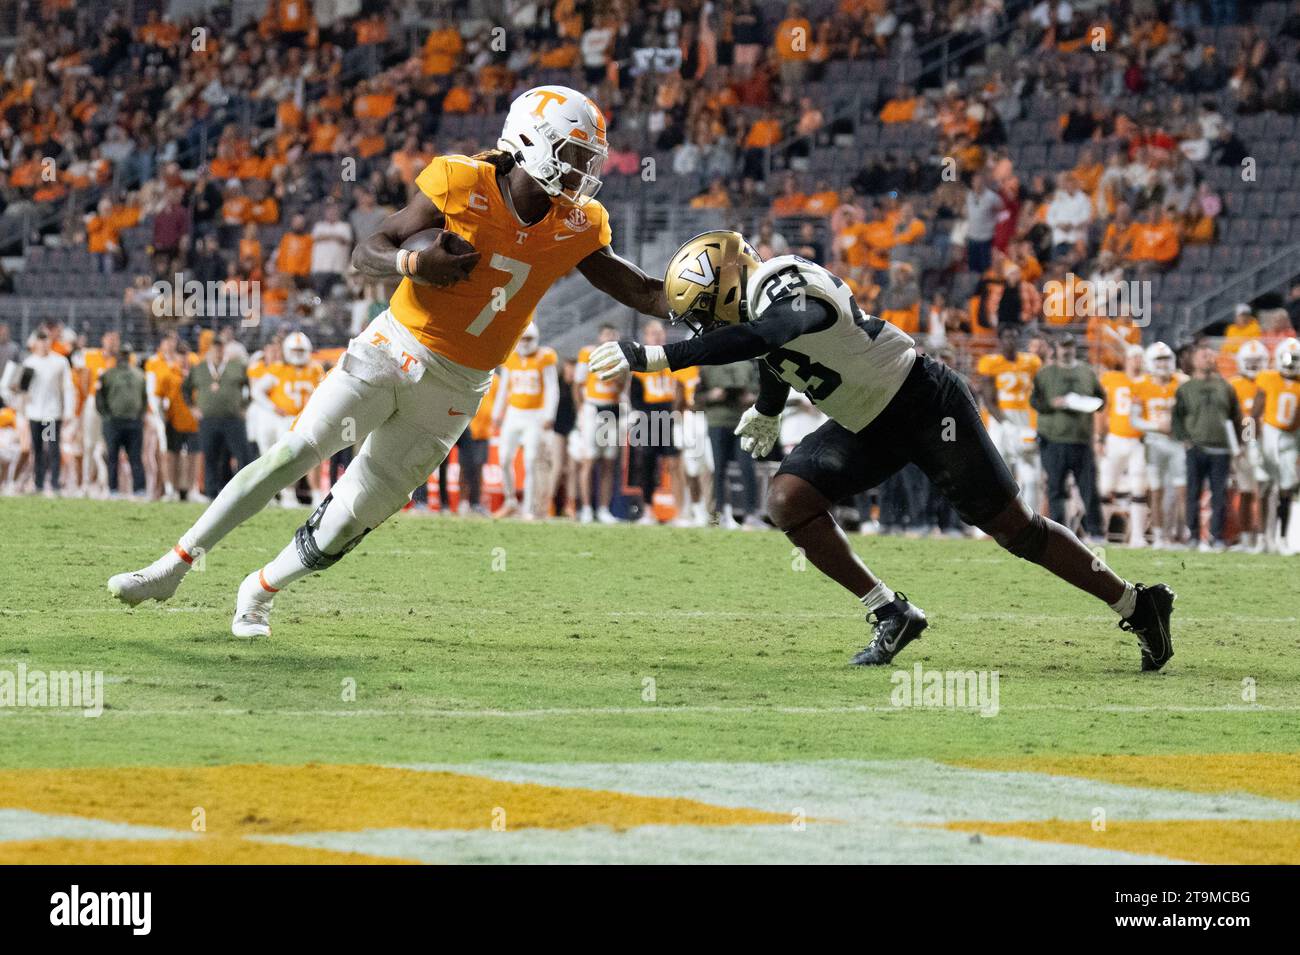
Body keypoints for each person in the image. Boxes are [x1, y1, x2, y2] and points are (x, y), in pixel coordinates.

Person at [108, 86, 669, 637]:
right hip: (394, 347)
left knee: (357, 514)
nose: (582, 171)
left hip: (459, 385)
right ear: (532, 142)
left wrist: (725, 303)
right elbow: (368, 249)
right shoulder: (462, 180)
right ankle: (173, 566)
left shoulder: (579, 223)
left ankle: (258, 591)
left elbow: (645, 292)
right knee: (294, 453)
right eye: (574, 155)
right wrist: (415, 262)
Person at [591, 232, 1175, 672]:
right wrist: (768, 410)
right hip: (865, 420)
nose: (695, 324)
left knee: (1015, 530)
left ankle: (1136, 603)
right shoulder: (754, 305)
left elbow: (771, 335)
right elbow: (772, 355)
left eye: (699, 309)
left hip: (923, 401)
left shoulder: (785, 281)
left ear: (725, 284)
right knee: (788, 500)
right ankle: (891, 611)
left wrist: (659, 358)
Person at [1030, 333, 1106, 541]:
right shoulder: (1045, 374)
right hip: (1053, 439)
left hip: (1081, 439)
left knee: (1089, 488)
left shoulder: (1087, 372)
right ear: (1056, 348)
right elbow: (1035, 402)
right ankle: (1059, 533)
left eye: (1070, 346)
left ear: (1075, 348)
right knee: (1055, 489)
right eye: (1063, 346)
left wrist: (1086, 401)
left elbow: (1102, 399)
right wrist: (1052, 404)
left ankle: (1096, 532)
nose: (1067, 350)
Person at [1174, 341, 1241, 551]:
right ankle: (1193, 536)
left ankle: (1217, 537)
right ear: (1193, 360)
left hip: (1221, 449)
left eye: (1210, 355)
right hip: (1196, 448)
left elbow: (1238, 417)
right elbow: (1176, 417)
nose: (1208, 358)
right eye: (1203, 355)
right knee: (1192, 493)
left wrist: (1241, 444)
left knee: (1219, 495)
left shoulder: (1226, 386)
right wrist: (1183, 438)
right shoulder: (1185, 388)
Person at [492, 322, 557, 519]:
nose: (525, 343)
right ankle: (511, 501)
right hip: (514, 413)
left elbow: (552, 387)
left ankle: (528, 509)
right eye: (523, 338)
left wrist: (549, 415)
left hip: (535, 416)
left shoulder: (545, 357)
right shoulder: (511, 357)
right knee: (503, 459)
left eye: (529, 339)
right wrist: (497, 412)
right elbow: (504, 387)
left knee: (530, 461)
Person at [976, 324, 1042, 513]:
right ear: (1000, 340)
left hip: (1026, 421)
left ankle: (1032, 519)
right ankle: (990, 519)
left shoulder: (1031, 362)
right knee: (997, 473)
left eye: (1014, 337)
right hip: (1000, 423)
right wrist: (1005, 423)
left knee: (1031, 476)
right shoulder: (991, 363)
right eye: (1007, 337)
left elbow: (1039, 393)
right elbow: (989, 399)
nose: (1011, 341)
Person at [1131, 342, 1187, 548]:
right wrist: (1157, 426)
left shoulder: (1182, 382)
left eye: (1166, 359)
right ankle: (1158, 536)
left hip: (1177, 443)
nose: (1163, 364)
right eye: (1159, 359)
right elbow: (1134, 420)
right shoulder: (1141, 384)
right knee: (1156, 490)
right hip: (1154, 442)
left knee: (1183, 490)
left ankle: (1182, 534)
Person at [185, 336, 251, 498]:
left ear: (224, 349)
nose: (218, 351)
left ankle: (245, 492)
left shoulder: (236, 366)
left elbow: (248, 386)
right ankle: (211, 493)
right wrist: (192, 407)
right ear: (210, 350)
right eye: (215, 348)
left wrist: (244, 406)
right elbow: (185, 389)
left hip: (233, 419)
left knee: (242, 455)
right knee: (210, 456)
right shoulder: (199, 368)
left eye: (220, 348)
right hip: (208, 419)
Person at [574, 324, 627, 524]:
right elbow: (578, 385)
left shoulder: (621, 356)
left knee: (608, 462)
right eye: (607, 334)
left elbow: (622, 386)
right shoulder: (587, 353)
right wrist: (580, 411)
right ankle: (586, 508)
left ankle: (604, 508)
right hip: (592, 408)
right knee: (588, 460)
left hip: (612, 410)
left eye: (613, 335)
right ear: (599, 336)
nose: (609, 338)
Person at [1098, 345, 1150, 547]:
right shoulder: (1112, 379)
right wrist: (1098, 437)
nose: (1137, 361)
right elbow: (1102, 410)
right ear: (1127, 359)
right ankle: (1100, 534)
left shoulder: (1149, 382)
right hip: (1114, 438)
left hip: (1138, 441)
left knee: (1138, 487)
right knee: (1105, 487)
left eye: (1140, 357)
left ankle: (1137, 536)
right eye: (1133, 357)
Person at [1252, 338, 1300, 554]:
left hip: (1291, 439)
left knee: (1286, 489)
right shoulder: (1267, 378)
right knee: (1263, 487)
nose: (1291, 364)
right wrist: (1251, 442)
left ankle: (1281, 538)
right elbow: (1254, 414)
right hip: (1269, 435)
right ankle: (1263, 538)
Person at [15, 329, 75, 496]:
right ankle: (39, 483)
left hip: (51, 413)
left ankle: (54, 483)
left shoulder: (59, 362)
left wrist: (68, 410)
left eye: (45, 340)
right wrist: (21, 408)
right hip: (34, 413)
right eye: (40, 340)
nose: (43, 344)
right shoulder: (29, 363)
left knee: (52, 448)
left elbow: (67, 388)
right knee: (37, 448)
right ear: (35, 343)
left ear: (50, 342)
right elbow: (22, 390)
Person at [1228, 339, 1268, 551]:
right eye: (1249, 361)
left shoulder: (1269, 380)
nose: (1253, 365)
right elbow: (1228, 418)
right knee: (1245, 491)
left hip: (1265, 444)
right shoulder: (1233, 384)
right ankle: (1245, 538)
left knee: (1264, 491)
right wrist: (1234, 445)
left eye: (1257, 360)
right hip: (1243, 444)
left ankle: (1263, 538)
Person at [96, 343, 149, 497]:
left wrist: (140, 416)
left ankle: (139, 489)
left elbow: (144, 399)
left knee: (135, 458)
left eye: (126, 354)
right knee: (112, 457)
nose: (124, 358)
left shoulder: (139, 375)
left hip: (133, 422)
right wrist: (106, 417)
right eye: (122, 354)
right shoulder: (108, 375)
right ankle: (113, 489)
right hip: (114, 422)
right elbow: (99, 398)